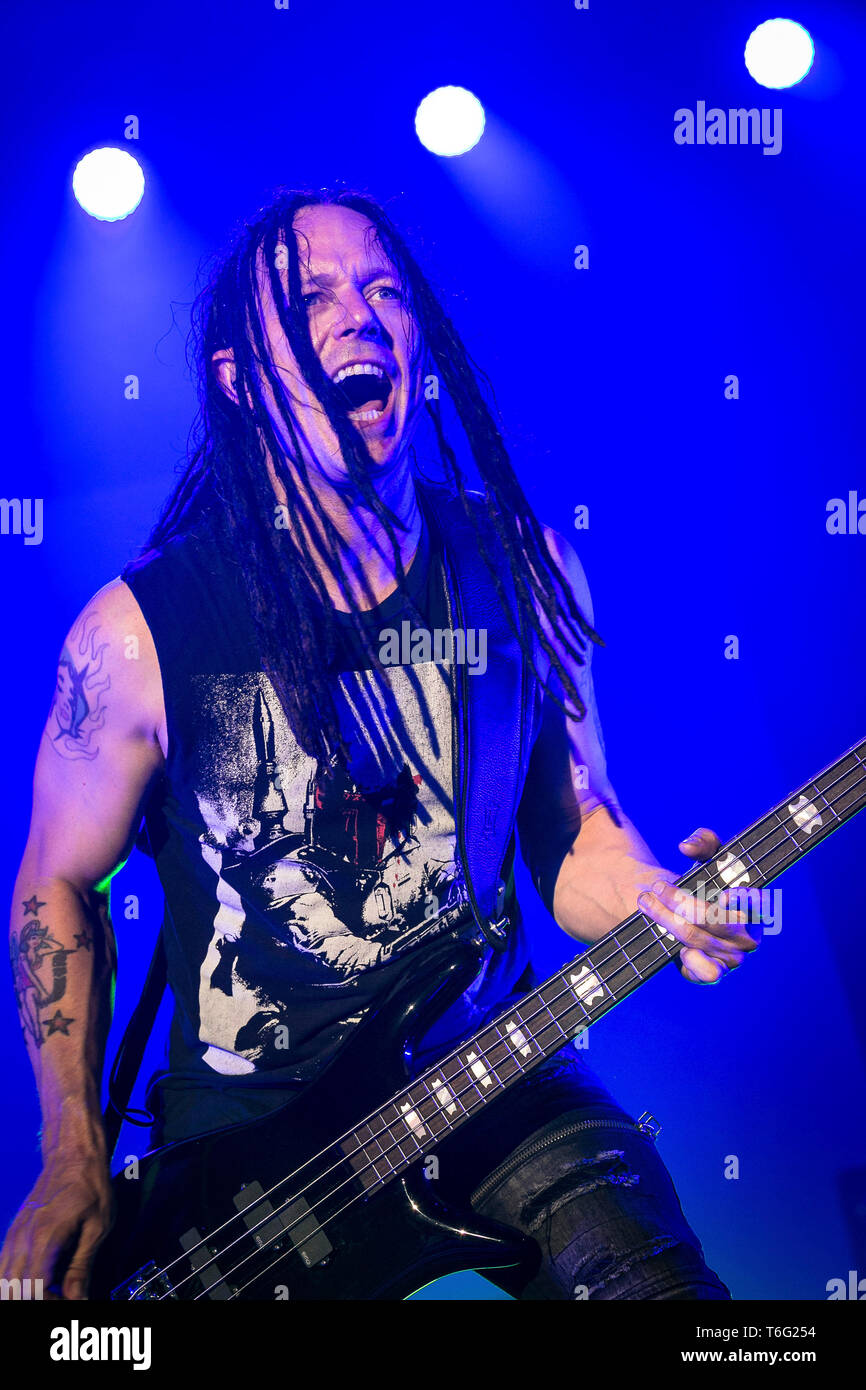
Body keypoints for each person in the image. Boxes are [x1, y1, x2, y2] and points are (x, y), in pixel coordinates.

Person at [1, 188, 760, 1301]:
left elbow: (576, 830)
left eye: (383, 291)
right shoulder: (136, 635)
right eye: (311, 299)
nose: (359, 318)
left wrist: (649, 892)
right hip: (247, 1165)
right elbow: (55, 883)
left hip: (489, 1078)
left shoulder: (519, 568)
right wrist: (70, 1153)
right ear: (239, 378)